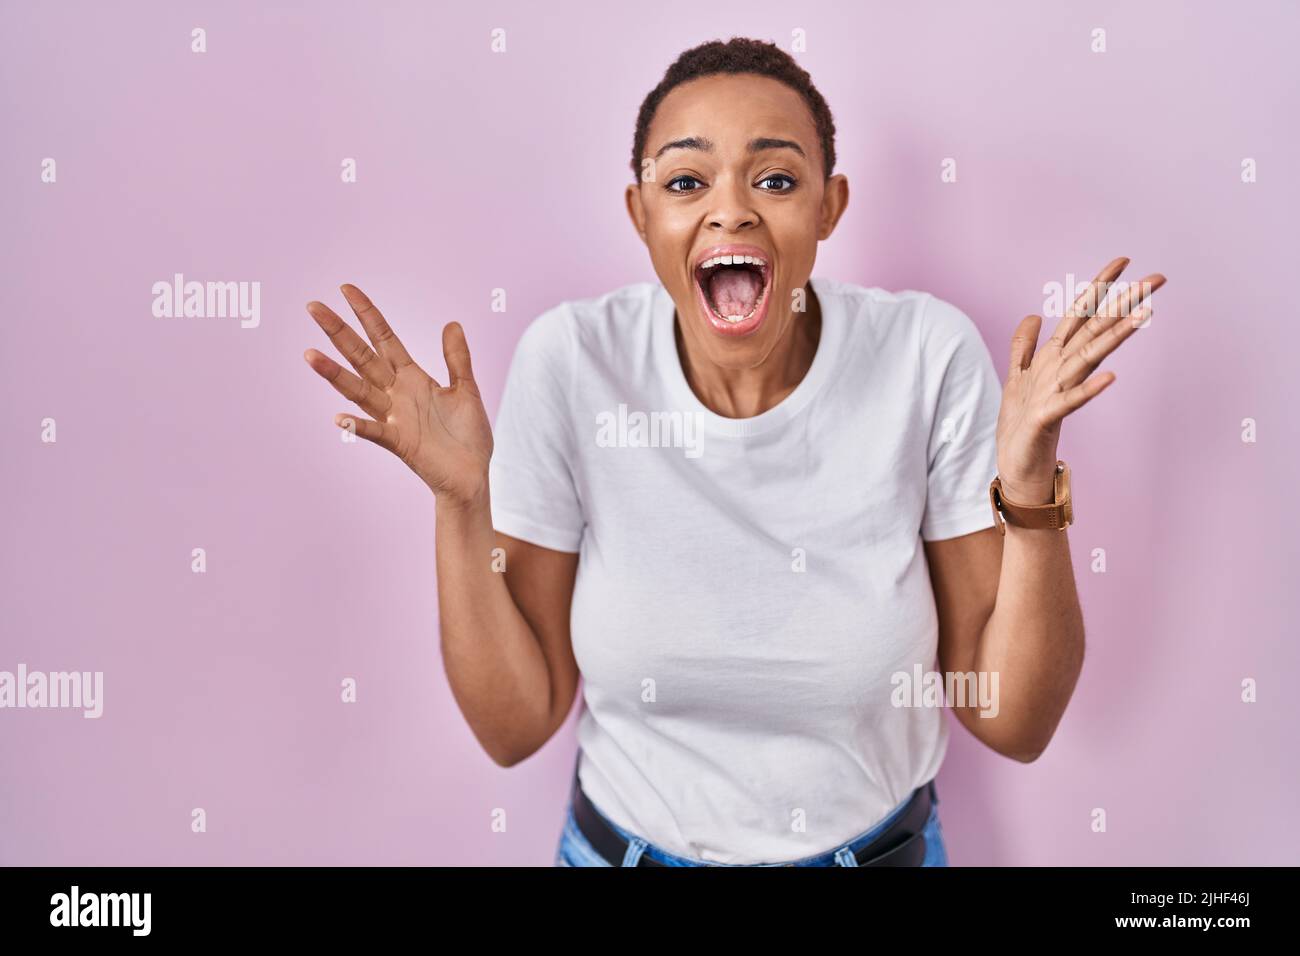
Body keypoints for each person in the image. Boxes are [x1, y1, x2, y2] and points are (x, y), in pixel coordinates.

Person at [302, 37, 1164, 867]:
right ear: (641, 215)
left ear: (830, 207)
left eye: (777, 179)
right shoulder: (572, 363)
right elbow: (515, 726)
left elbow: (1015, 720)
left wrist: (1029, 496)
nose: (731, 208)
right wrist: (463, 504)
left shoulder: (923, 357)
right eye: (685, 180)